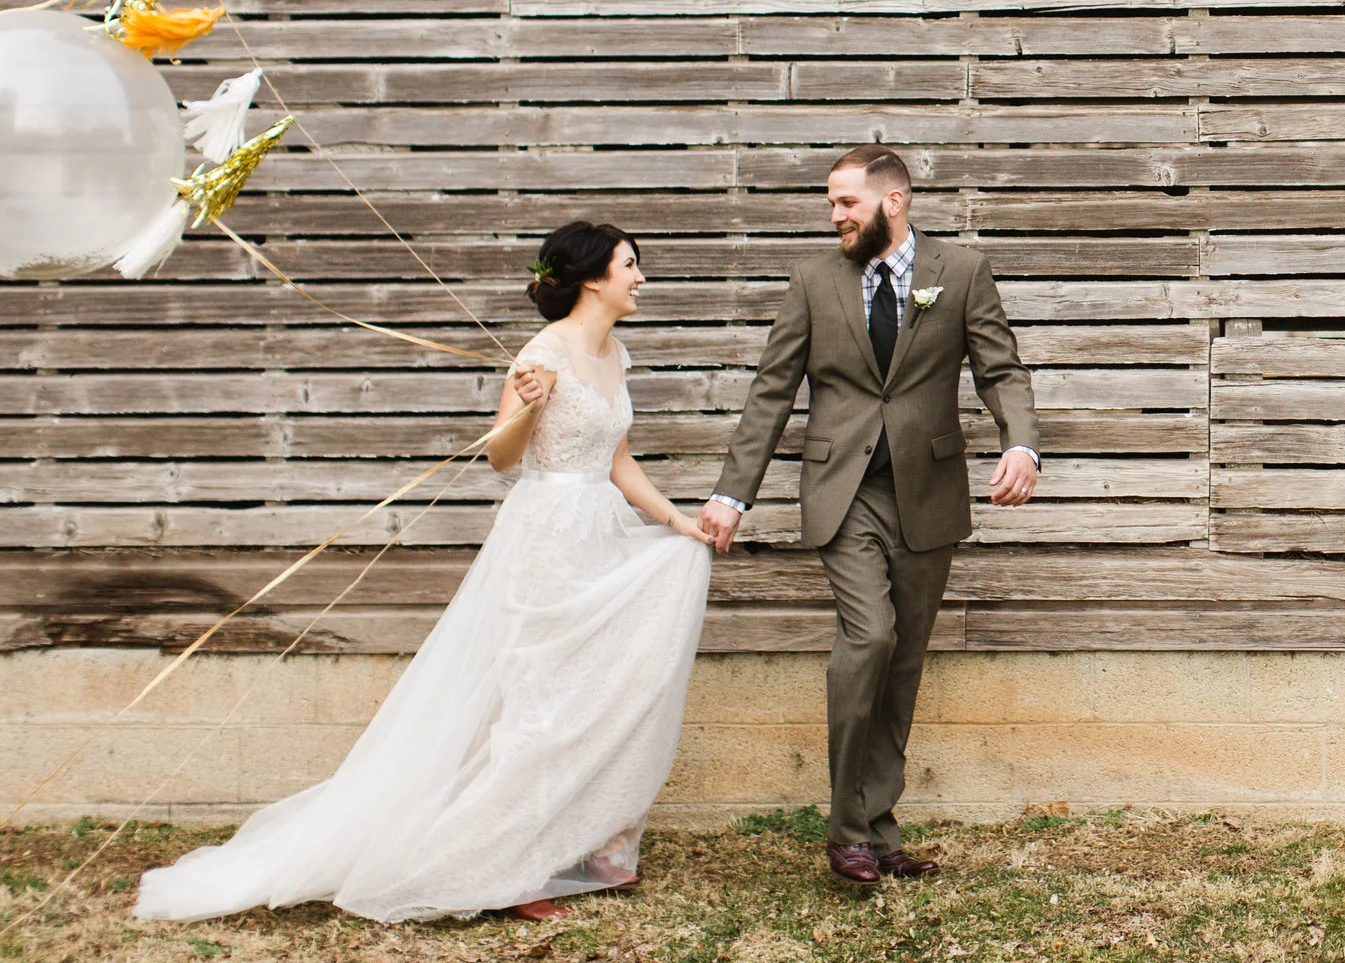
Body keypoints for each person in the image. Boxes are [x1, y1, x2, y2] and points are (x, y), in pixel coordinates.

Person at [135, 222, 714, 923]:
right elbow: (500, 457)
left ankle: (586, 840)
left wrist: (677, 521)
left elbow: (617, 460)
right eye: (630, 264)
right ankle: (508, 867)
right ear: (593, 277)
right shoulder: (542, 352)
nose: (641, 277)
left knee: (591, 689)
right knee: (538, 702)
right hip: (547, 537)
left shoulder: (616, 353)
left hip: (601, 530)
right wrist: (531, 403)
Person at [698, 145, 1039, 887]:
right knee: (870, 636)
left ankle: (880, 830)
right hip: (843, 492)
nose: (835, 216)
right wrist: (733, 493)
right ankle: (847, 831)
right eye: (831, 203)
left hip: (927, 493)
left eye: (845, 202)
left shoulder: (962, 271)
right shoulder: (813, 280)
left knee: (903, 661)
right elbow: (771, 389)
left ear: (893, 201)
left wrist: (1021, 443)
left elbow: (1001, 368)